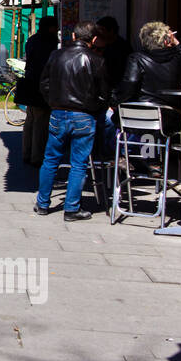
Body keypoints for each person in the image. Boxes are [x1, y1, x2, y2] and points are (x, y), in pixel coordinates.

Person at [35, 20, 110, 220]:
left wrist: (53, 102)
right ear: (94, 39)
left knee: (50, 160)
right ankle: (71, 207)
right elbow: (104, 94)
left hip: (58, 112)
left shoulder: (57, 55)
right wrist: (94, 107)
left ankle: (42, 203)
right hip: (84, 115)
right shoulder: (96, 60)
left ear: (74, 36)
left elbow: (44, 84)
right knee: (78, 163)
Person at [113, 21, 181, 138]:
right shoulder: (178, 59)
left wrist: (114, 102)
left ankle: (130, 153)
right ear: (166, 41)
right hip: (170, 118)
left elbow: (129, 85)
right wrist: (177, 44)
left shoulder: (136, 59)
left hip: (139, 117)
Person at [18, 16, 60, 166]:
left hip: (30, 82)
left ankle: (26, 152)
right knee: (40, 123)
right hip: (41, 85)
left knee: (30, 120)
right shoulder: (49, 42)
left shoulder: (32, 40)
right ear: (50, 28)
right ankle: (36, 156)